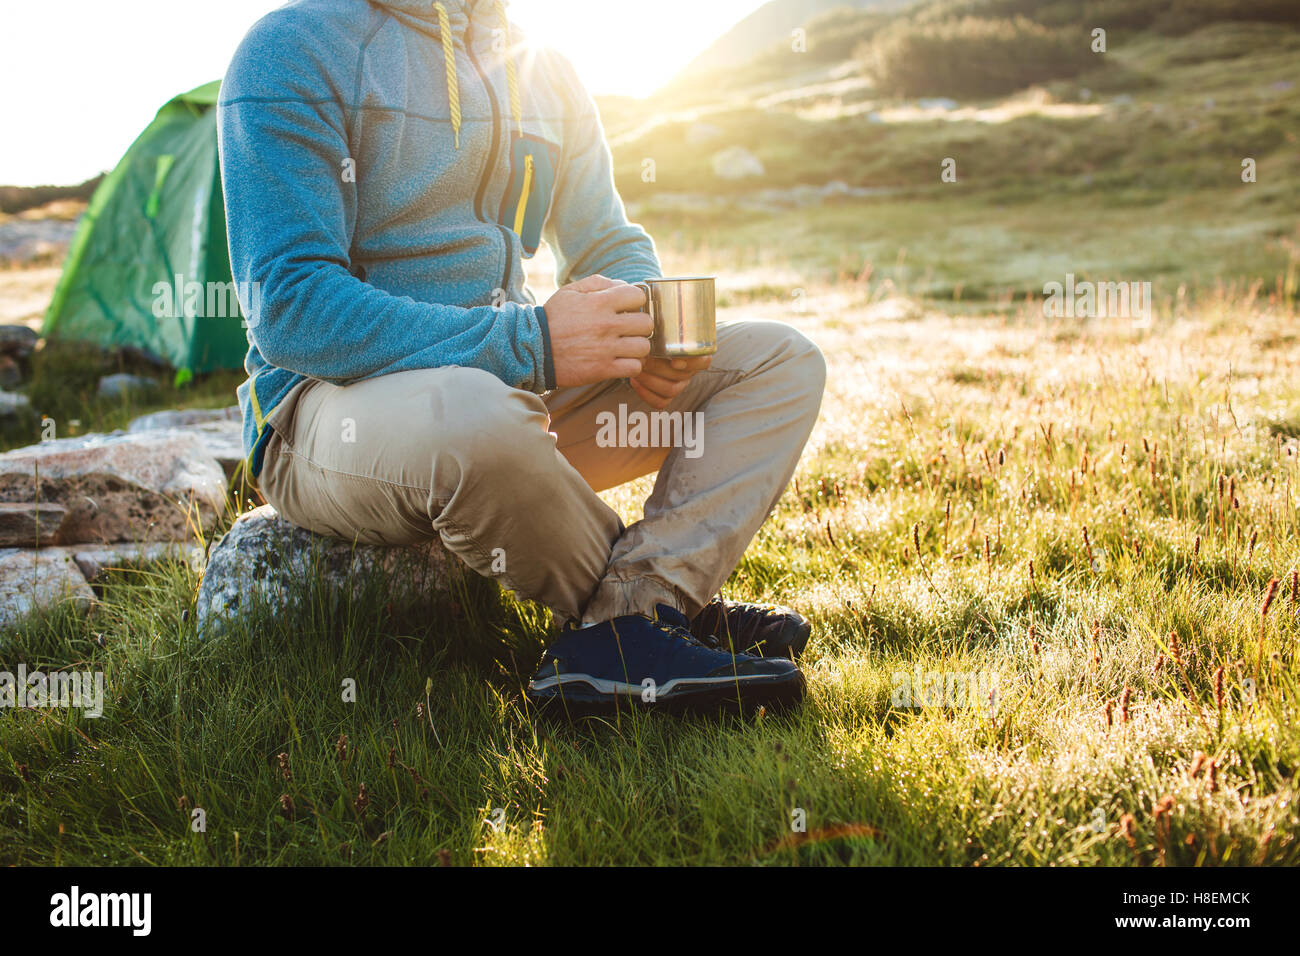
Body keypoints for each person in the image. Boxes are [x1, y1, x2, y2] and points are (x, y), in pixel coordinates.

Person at [217, 0, 826, 716]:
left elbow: (607, 242)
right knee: (476, 415)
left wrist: (645, 328)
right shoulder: (291, 49)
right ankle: (667, 619)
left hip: (516, 399)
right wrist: (530, 345)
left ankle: (636, 616)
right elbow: (291, 305)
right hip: (327, 412)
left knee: (780, 361)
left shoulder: (543, 66)